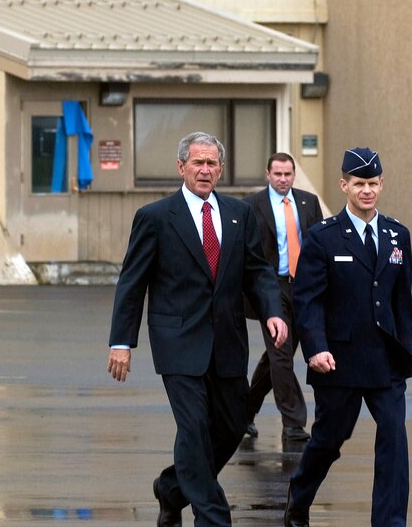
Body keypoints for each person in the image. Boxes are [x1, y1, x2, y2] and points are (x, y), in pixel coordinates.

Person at [107, 131, 288, 527]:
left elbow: (257, 271)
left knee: (231, 426)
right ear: (181, 167)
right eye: (197, 163)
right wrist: (122, 342)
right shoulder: (155, 217)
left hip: (227, 342)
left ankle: (172, 489)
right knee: (192, 429)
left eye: (212, 164)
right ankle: (213, 516)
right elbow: (132, 282)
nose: (205, 170)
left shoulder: (239, 215)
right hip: (178, 344)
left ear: (220, 169)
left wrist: (273, 311)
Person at [285, 147, 412, 527]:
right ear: (344, 185)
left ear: (381, 185)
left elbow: (402, 302)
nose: (366, 191)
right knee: (329, 440)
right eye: (359, 183)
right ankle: (299, 496)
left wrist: (404, 353)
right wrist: (315, 348)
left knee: (394, 439)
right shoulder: (322, 238)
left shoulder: (397, 235)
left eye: (373, 183)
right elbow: (306, 300)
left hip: (386, 362)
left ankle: (390, 521)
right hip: (338, 362)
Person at [244, 152, 323, 441]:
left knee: (280, 356)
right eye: (277, 174)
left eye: (288, 174)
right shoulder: (251, 206)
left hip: (302, 287)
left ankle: (244, 413)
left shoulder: (308, 202)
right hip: (270, 288)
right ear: (267, 174)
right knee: (281, 354)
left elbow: (319, 247)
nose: (283, 179)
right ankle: (293, 422)